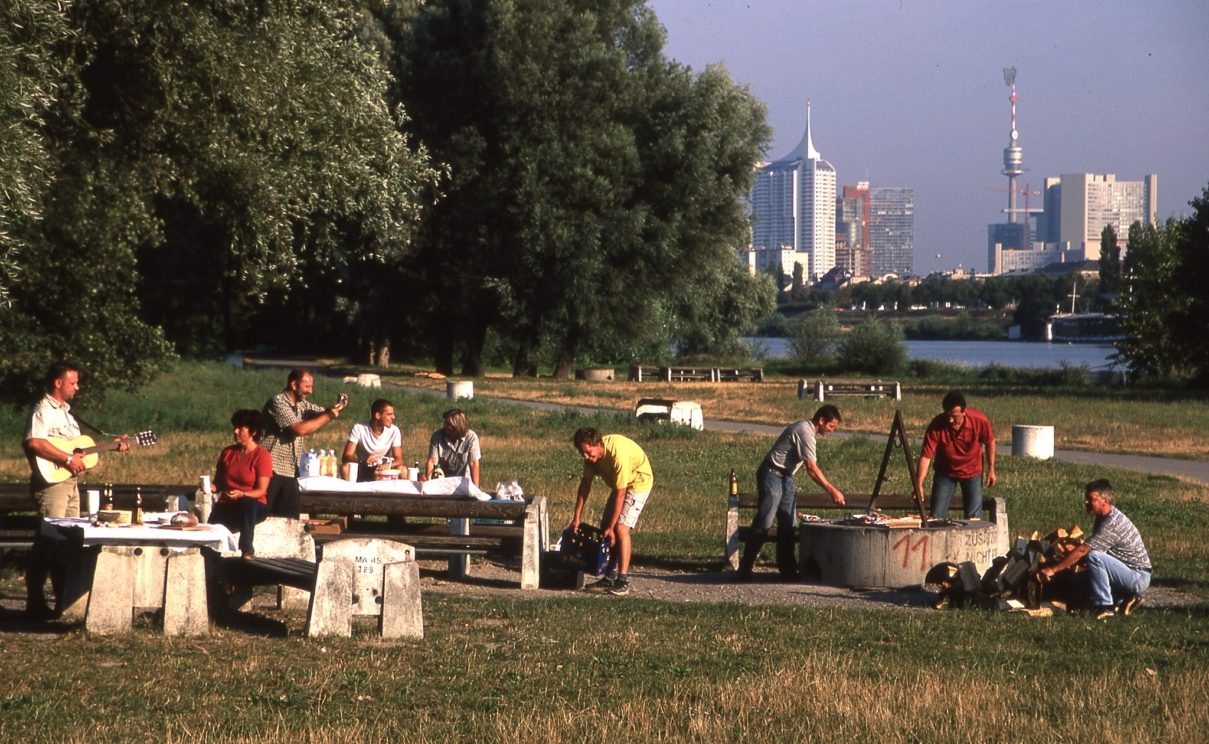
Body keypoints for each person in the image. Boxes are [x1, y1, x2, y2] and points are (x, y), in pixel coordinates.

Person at [23, 360, 129, 618]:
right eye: (73, 382)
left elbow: (78, 448)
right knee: (48, 541)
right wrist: (68, 459)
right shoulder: (43, 410)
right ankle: (35, 601)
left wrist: (113, 445)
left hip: (70, 483)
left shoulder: (67, 413)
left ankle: (64, 601)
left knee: (66, 544)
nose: (77, 387)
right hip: (52, 485)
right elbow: (34, 442)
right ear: (58, 382)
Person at [738, 405, 845, 582]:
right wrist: (832, 490)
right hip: (772, 473)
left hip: (786, 476)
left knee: (788, 522)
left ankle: (787, 570)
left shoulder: (808, 432)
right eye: (831, 426)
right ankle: (745, 568)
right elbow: (811, 468)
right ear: (821, 421)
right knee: (765, 520)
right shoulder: (805, 432)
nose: (832, 430)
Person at [1037, 478, 1151, 620]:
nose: (1086, 502)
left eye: (1091, 499)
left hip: (1137, 577)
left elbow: (1083, 551)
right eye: (1086, 498)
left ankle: (1105, 607)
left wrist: (1053, 569)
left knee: (1094, 557)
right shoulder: (1103, 517)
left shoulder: (1111, 523)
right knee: (1080, 578)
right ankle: (1126, 600)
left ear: (1105, 501)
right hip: (1127, 574)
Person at [570, 427, 653, 597]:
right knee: (605, 527)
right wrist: (576, 517)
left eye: (587, 452)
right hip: (621, 485)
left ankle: (623, 580)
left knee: (621, 529)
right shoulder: (591, 459)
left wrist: (612, 526)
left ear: (598, 444)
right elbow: (585, 485)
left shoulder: (617, 455)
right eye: (582, 453)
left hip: (638, 481)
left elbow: (621, 493)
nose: (585, 457)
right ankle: (609, 576)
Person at [258, 368, 346, 516]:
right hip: (271, 467)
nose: (310, 391)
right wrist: (329, 416)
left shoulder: (301, 405)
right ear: (293, 384)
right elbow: (299, 429)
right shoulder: (278, 402)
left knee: (290, 517)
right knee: (263, 514)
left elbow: (322, 412)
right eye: (307, 386)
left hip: (290, 469)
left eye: (311, 387)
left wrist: (337, 407)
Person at [915, 390, 996, 520]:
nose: (951, 420)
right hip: (945, 472)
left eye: (955, 416)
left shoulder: (979, 421)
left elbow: (990, 442)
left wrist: (991, 469)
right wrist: (919, 483)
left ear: (964, 412)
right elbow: (926, 456)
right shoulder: (937, 425)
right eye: (948, 415)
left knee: (973, 518)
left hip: (972, 471)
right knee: (936, 516)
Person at [208, 409, 273, 559]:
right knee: (210, 530)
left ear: (253, 431)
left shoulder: (262, 456)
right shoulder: (228, 453)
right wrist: (210, 487)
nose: (235, 431)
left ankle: (247, 548)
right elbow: (218, 484)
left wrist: (242, 494)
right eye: (235, 427)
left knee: (246, 503)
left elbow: (261, 490)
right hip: (228, 503)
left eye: (240, 428)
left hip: (254, 505)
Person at [342, 398, 404, 481]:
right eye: (389, 414)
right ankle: (349, 492)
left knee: (403, 470)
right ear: (378, 415)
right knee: (345, 468)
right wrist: (362, 461)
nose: (393, 417)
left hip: (383, 469)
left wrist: (388, 465)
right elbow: (346, 456)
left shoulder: (394, 431)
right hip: (363, 467)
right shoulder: (359, 428)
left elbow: (399, 459)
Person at [425, 408, 481, 486]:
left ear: (457, 426)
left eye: (449, 424)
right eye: (445, 423)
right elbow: (432, 461)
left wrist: (476, 488)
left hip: (464, 483)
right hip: (442, 482)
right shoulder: (437, 437)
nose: (445, 426)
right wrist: (428, 484)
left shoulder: (472, 438)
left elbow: (474, 463)